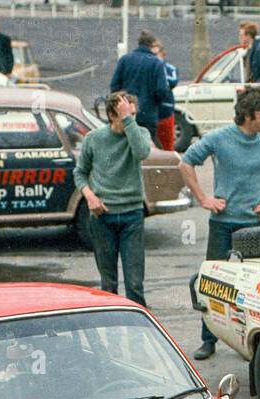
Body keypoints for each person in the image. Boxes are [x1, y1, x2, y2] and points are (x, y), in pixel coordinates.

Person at [179, 88, 260, 360]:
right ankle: (208, 340)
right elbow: (185, 164)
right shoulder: (219, 138)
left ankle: (246, 342)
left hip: (253, 227)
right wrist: (204, 199)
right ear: (249, 115)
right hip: (222, 223)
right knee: (212, 284)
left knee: (251, 290)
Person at [74, 91, 152, 303]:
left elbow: (142, 152)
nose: (131, 119)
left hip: (132, 214)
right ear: (111, 115)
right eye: (125, 114)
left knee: (135, 283)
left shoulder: (139, 133)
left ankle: (138, 329)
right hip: (103, 216)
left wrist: (128, 120)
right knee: (108, 283)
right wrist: (89, 196)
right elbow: (79, 172)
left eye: (133, 114)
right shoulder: (94, 139)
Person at [109, 29, 169, 142]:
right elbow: (161, 90)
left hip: (126, 114)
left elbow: (114, 86)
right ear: (152, 45)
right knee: (146, 149)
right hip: (148, 115)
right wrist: (154, 103)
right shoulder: (156, 63)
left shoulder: (124, 60)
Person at [154, 42, 179, 151]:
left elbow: (173, 82)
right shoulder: (149, 67)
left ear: (162, 54)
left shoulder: (170, 68)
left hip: (165, 111)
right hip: (151, 113)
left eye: (156, 54)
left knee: (167, 146)